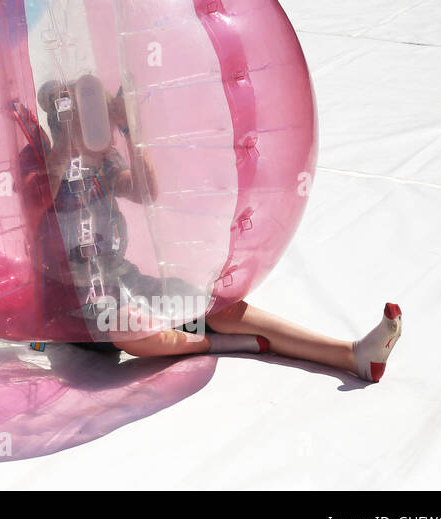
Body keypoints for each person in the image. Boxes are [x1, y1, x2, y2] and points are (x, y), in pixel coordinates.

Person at [21, 75, 403, 383]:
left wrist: (131, 132)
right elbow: (36, 203)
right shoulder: (40, 163)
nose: (105, 140)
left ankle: (351, 355)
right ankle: (216, 344)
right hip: (75, 302)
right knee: (127, 327)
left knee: (214, 303)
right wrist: (65, 151)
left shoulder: (105, 162)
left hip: (122, 279)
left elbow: (144, 190)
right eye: (97, 124)